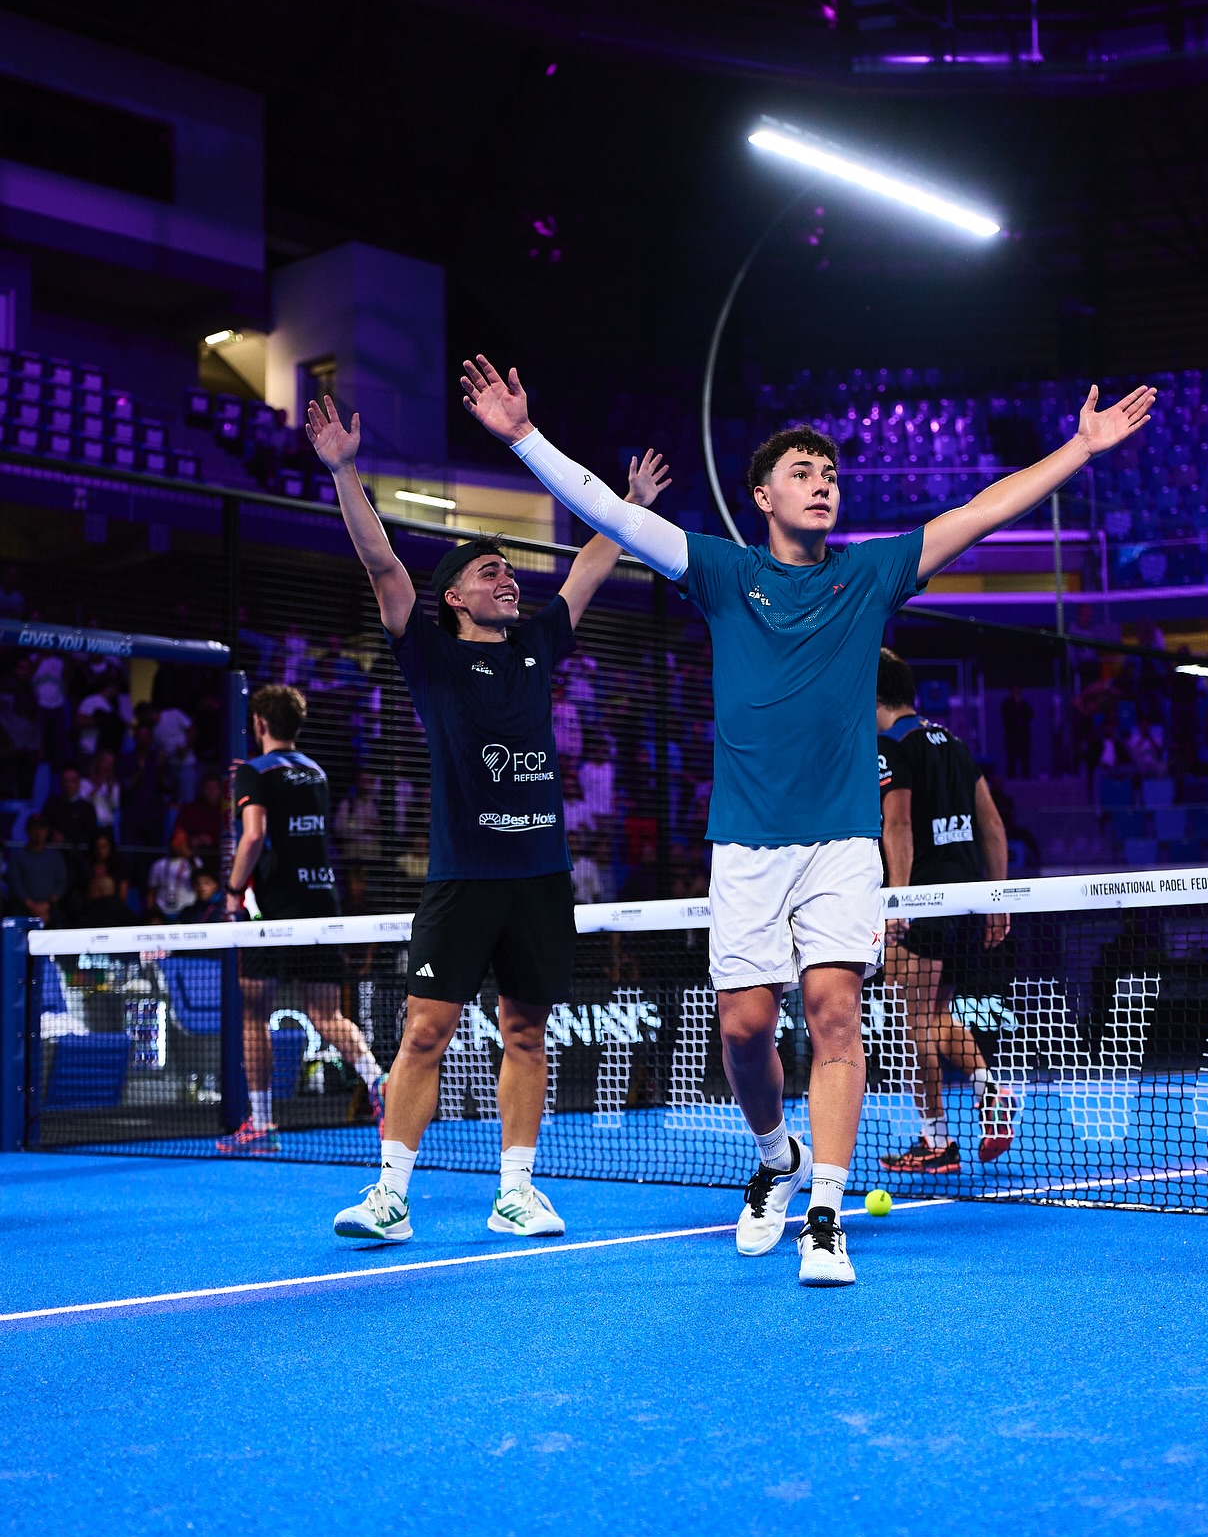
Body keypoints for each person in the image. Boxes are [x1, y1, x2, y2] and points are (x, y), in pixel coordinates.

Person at [462, 352, 1154, 1286]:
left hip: (841, 841)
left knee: (835, 1014)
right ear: (761, 497)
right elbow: (611, 513)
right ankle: (776, 1157)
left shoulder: (867, 578)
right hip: (745, 844)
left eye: (831, 476)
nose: (823, 485)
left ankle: (823, 1211)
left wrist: (1079, 448)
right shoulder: (717, 572)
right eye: (803, 474)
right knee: (744, 1030)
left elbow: (981, 512)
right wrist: (523, 438)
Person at [307, 393, 671, 1246]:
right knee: (424, 1031)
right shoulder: (428, 653)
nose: (508, 578)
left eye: (510, 570)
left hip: (539, 879)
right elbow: (383, 565)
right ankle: (390, 1197)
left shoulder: (539, 643)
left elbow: (591, 562)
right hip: (463, 878)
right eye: (489, 573)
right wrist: (342, 470)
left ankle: (517, 1191)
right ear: (455, 601)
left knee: (525, 1030)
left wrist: (633, 510)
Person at [217, 683, 383, 1157]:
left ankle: (263, 1122)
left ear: (260, 725)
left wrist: (232, 894)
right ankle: (381, 1083)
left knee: (255, 1012)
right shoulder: (316, 772)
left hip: (273, 911)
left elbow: (254, 837)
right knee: (327, 1015)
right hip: (322, 902)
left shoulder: (252, 771)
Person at [873, 647, 1014, 1174]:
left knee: (914, 1025)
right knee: (932, 1018)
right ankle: (990, 1092)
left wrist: (897, 905)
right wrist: (997, 899)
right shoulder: (952, 742)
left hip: (922, 903)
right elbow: (993, 825)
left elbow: (899, 825)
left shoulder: (891, 744)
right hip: (967, 901)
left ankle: (936, 1139)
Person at [6, 815, 68, 920]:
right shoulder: (17, 858)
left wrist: (46, 905)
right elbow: (15, 884)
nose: (38, 832)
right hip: (23, 911)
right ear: (27, 830)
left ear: (47, 831)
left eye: (42, 828)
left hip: (50, 911)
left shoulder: (55, 857)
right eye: (34, 828)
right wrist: (31, 905)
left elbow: (62, 883)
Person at [146, 825, 196, 918]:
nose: (179, 845)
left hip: (187, 909)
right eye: (176, 841)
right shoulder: (158, 865)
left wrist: (190, 856)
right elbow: (151, 891)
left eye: (183, 841)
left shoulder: (194, 862)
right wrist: (151, 913)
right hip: (162, 910)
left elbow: (199, 878)